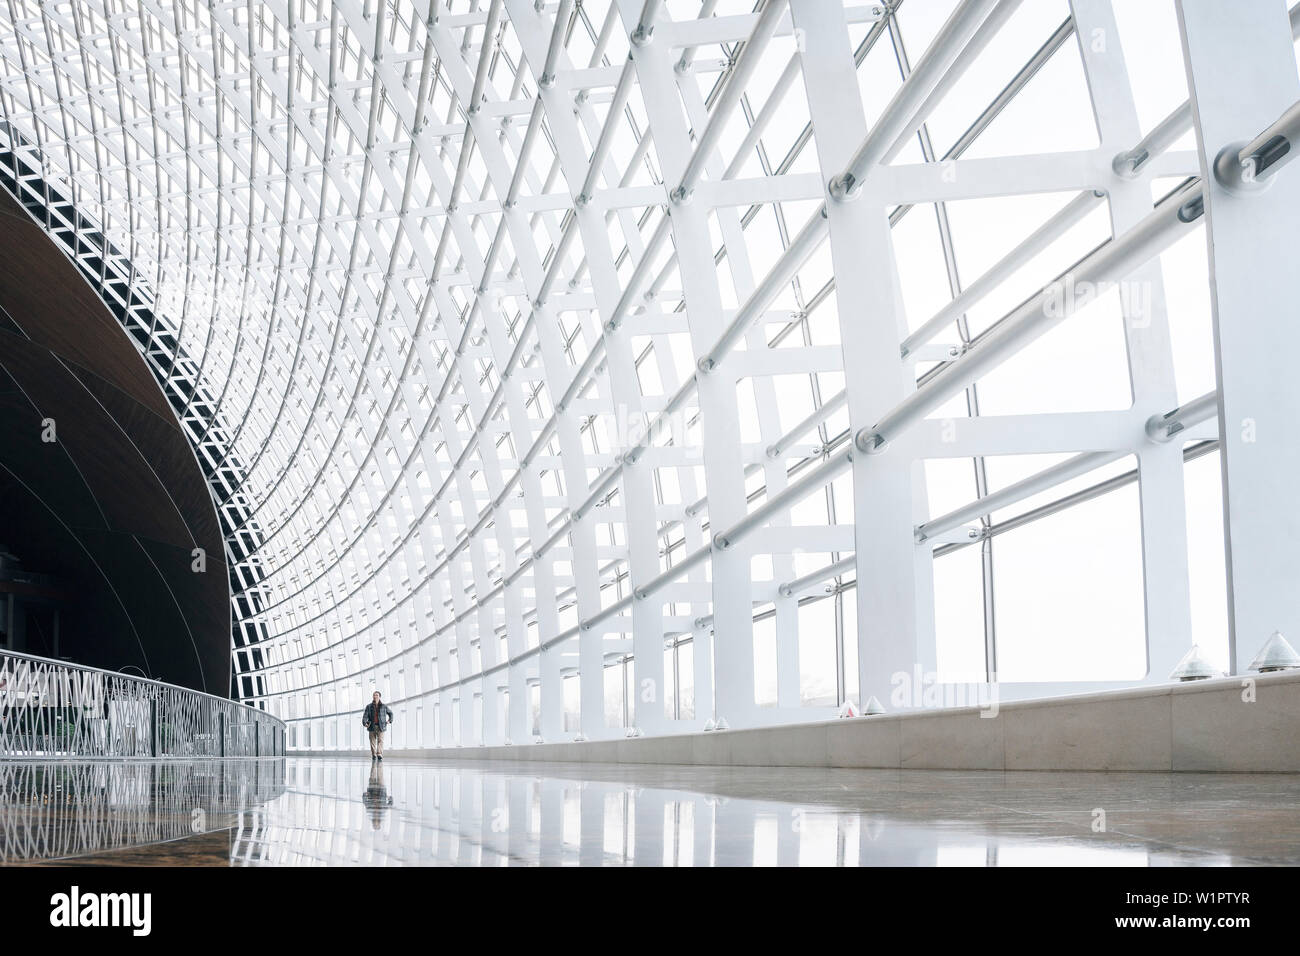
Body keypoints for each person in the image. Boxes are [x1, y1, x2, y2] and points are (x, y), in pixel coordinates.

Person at [361, 691, 394, 760]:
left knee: (380, 741)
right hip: (372, 726)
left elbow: (391, 713)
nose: (375, 696)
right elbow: (365, 716)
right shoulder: (369, 706)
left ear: (379, 697)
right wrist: (364, 722)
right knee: (372, 741)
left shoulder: (384, 706)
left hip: (381, 726)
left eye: (376, 695)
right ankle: (374, 754)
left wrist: (389, 720)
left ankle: (379, 753)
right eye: (374, 695)